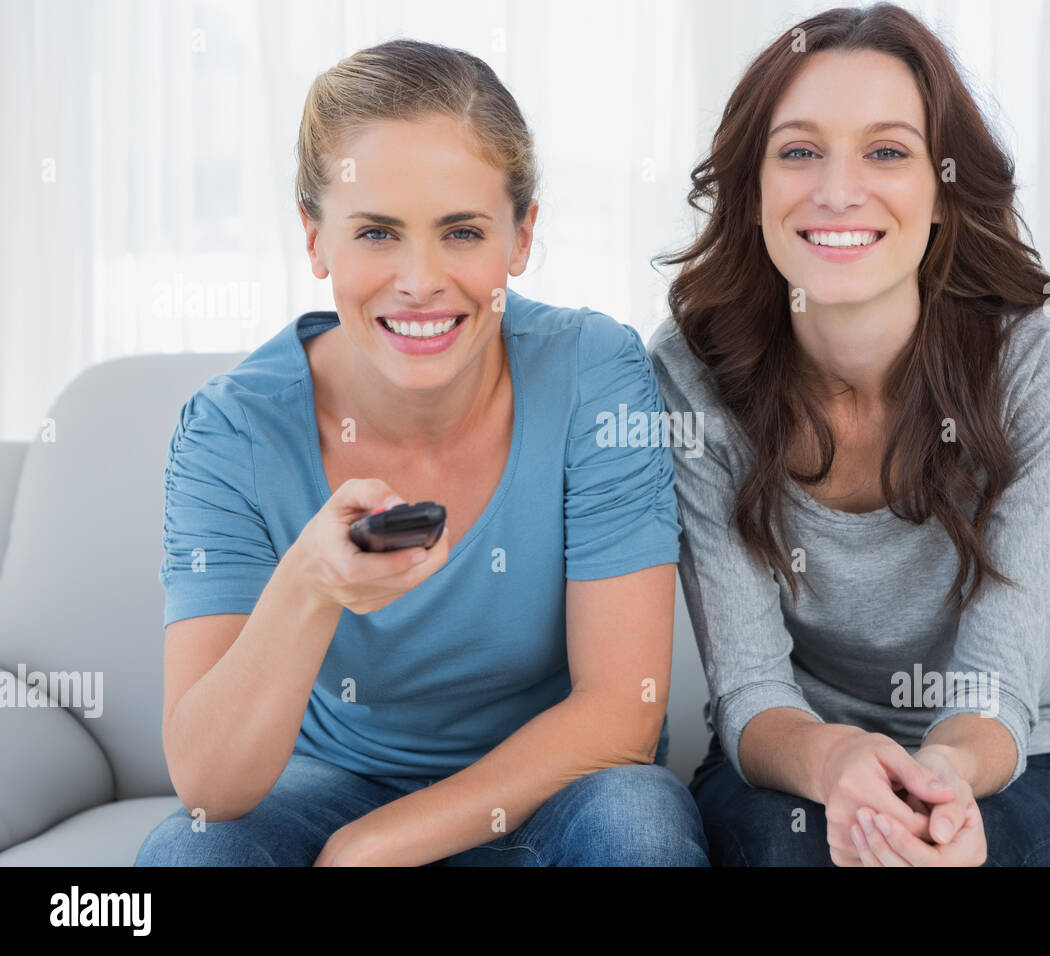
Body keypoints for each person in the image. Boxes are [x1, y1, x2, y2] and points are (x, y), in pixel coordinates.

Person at [135, 38, 707, 867]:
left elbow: (623, 711)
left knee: (640, 825)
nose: (420, 280)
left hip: (554, 792)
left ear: (521, 237)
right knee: (190, 853)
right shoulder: (231, 432)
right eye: (376, 233)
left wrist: (371, 849)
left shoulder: (593, 373)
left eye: (462, 232)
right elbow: (210, 787)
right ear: (315, 240)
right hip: (328, 785)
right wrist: (309, 585)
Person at [649, 3, 1050, 867]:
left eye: (888, 151)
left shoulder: (1043, 356)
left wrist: (936, 782)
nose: (837, 190)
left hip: (996, 762)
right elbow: (750, 689)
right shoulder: (691, 373)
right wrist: (837, 762)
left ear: (942, 190)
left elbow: (1001, 677)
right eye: (798, 152)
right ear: (753, 190)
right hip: (796, 765)